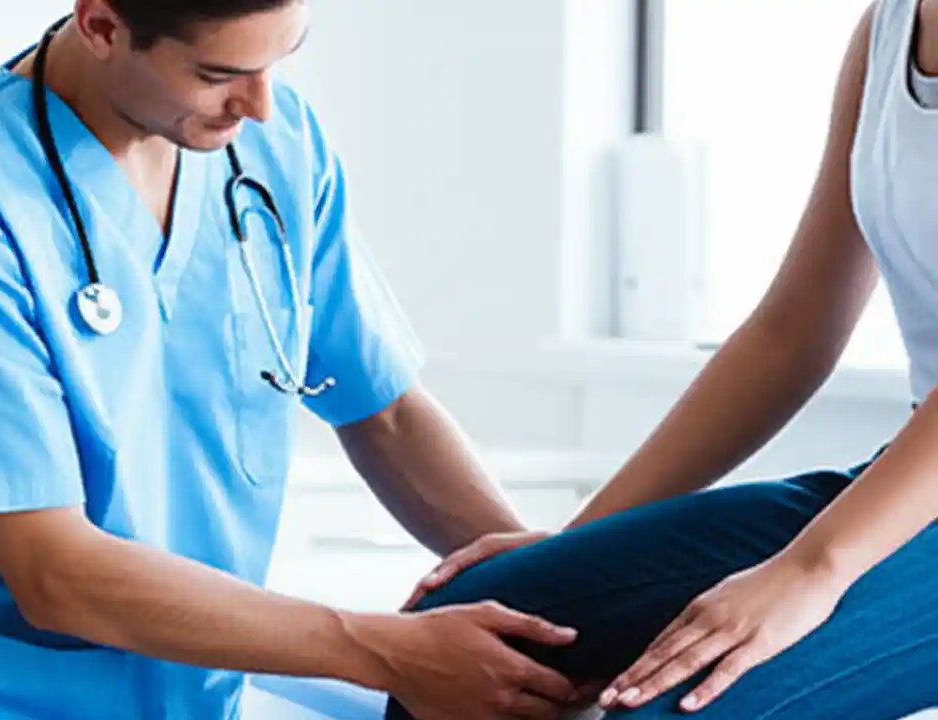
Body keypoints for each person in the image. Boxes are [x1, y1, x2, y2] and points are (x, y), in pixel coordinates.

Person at [0, 1, 597, 718]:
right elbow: (53, 571)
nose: (258, 104)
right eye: (217, 74)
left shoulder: (276, 144)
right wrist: (385, 652)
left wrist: (556, 601)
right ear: (100, 23)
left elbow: (385, 413)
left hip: (182, 687)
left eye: (277, 61)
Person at [393, 0, 938, 718]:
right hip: (908, 481)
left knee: (679, 707)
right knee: (482, 626)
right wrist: (582, 537)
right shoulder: (889, 28)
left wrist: (806, 573)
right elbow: (792, 331)